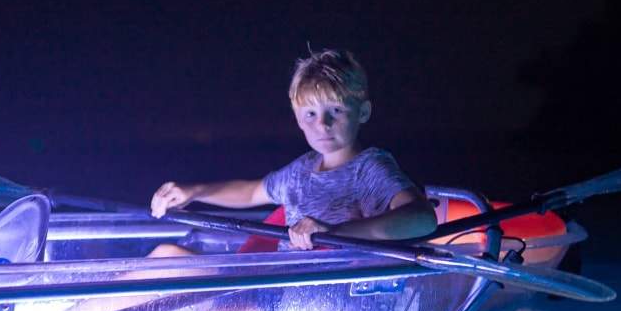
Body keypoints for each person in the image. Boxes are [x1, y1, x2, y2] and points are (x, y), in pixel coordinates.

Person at [149, 49, 437, 251]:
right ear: (298, 119)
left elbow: (422, 218)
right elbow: (251, 192)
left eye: (335, 110)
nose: (322, 124)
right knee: (166, 253)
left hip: (326, 300)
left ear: (362, 112)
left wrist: (335, 233)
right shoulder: (301, 170)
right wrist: (194, 192)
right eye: (310, 114)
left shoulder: (369, 168)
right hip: (281, 293)